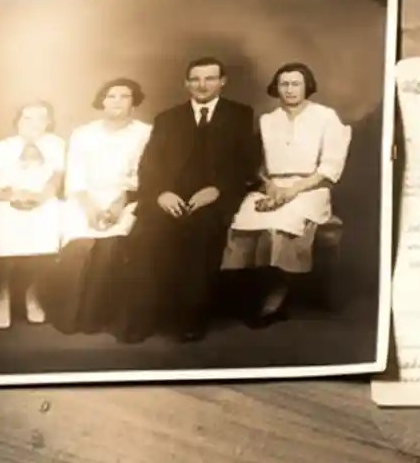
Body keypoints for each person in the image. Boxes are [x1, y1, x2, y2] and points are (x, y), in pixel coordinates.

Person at [119, 56, 258, 343]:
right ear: (186, 83)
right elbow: (150, 164)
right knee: (146, 236)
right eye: (195, 79)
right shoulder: (167, 118)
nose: (202, 85)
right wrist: (161, 193)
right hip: (167, 197)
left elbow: (244, 163)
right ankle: (142, 317)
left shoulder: (240, 114)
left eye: (209, 78)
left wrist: (217, 190)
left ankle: (190, 318)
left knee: (200, 235)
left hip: (212, 198)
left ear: (222, 82)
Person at [224, 62, 352, 324]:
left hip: (310, 188)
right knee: (243, 220)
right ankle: (249, 293)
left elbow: (330, 166)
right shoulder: (268, 120)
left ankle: (275, 298)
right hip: (272, 187)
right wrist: (269, 186)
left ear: (307, 86)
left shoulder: (326, 117)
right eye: (284, 84)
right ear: (276, 87)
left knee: (282, 225)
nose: (290, 89)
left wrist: (292, 191)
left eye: (296, 83)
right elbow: (256, 164)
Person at [46, 78, 152, 335]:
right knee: (80, 245)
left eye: (124, 96)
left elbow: (145, 174)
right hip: (84, 198)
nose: (116, 102)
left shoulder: (146, 132)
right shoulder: (83, 133)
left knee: (110, 244)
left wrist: (119, 203)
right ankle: (69, 316)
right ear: (101, 101)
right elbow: (76, 175)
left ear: (134, 102)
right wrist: (90, 208)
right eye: (111, 96)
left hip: (126, 198)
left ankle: (94, 316)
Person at [0, 100, 65, 330]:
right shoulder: (1, 147)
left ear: (49, 122)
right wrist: (12, 196)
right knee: (5, 232)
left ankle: (31, 293)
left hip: (42, 201)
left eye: (41, 118)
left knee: (50, 228)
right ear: (18, 121)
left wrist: (41, 196)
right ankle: (2, 294)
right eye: (27, 118)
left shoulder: (56, 144)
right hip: (6, 201)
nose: (34, 124)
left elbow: (56, 179)